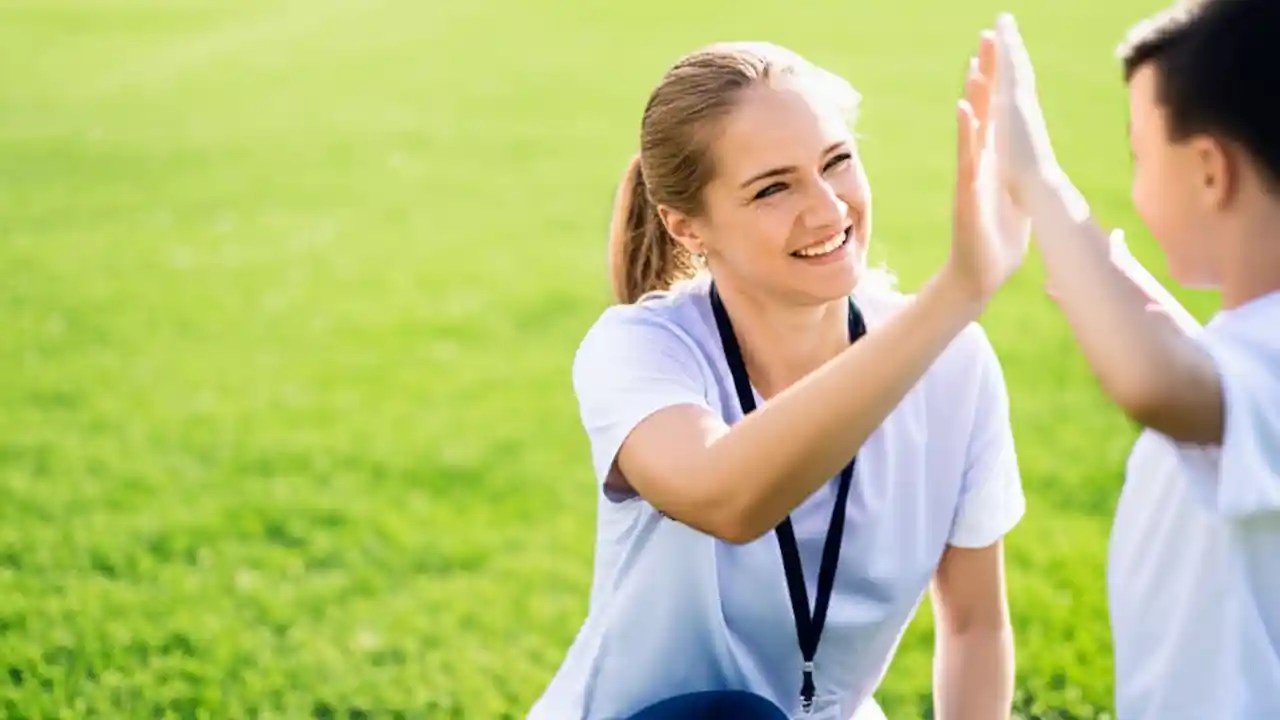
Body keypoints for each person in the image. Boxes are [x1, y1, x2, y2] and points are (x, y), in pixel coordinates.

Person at [530, 35, 1028, 720]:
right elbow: (727, 497)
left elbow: (975, 624)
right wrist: (955, 296)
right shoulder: (640, 350)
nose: (827, 209)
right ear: (686, 227)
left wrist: (948, 319)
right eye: (772, 188)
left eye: (837, 162)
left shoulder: (954, 365)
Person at [990, 3, 1280, 717]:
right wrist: (1138, 304)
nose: (1134, 183)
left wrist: (1035, 175)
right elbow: (1230, 401)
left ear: (1211, 170)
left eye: (1138, 156)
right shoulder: (1247, 354)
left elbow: (1155, 384)